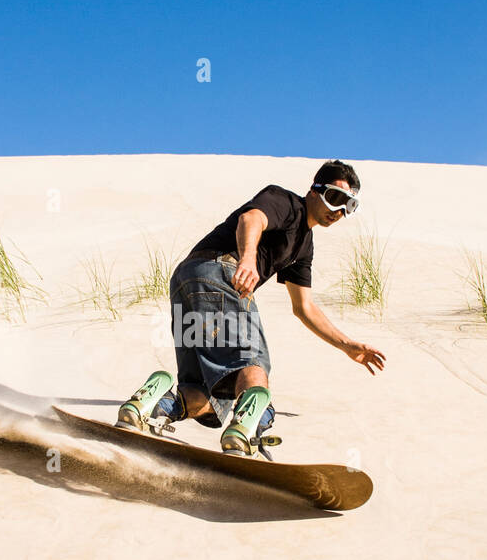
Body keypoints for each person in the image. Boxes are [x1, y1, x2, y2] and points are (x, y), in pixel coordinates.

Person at [117, 160, 386, 456]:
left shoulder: (303, 246)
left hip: (186, 284)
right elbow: (251, 219)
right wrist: (246, 259)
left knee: (207, 398)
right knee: (253, 364)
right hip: (220, 272)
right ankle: (243, 435)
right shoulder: (286, 202)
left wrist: (346, 345)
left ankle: (150, 403)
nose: (338, 211)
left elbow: (304, 307)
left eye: (349, 206)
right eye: (334, 198)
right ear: (314, 190)